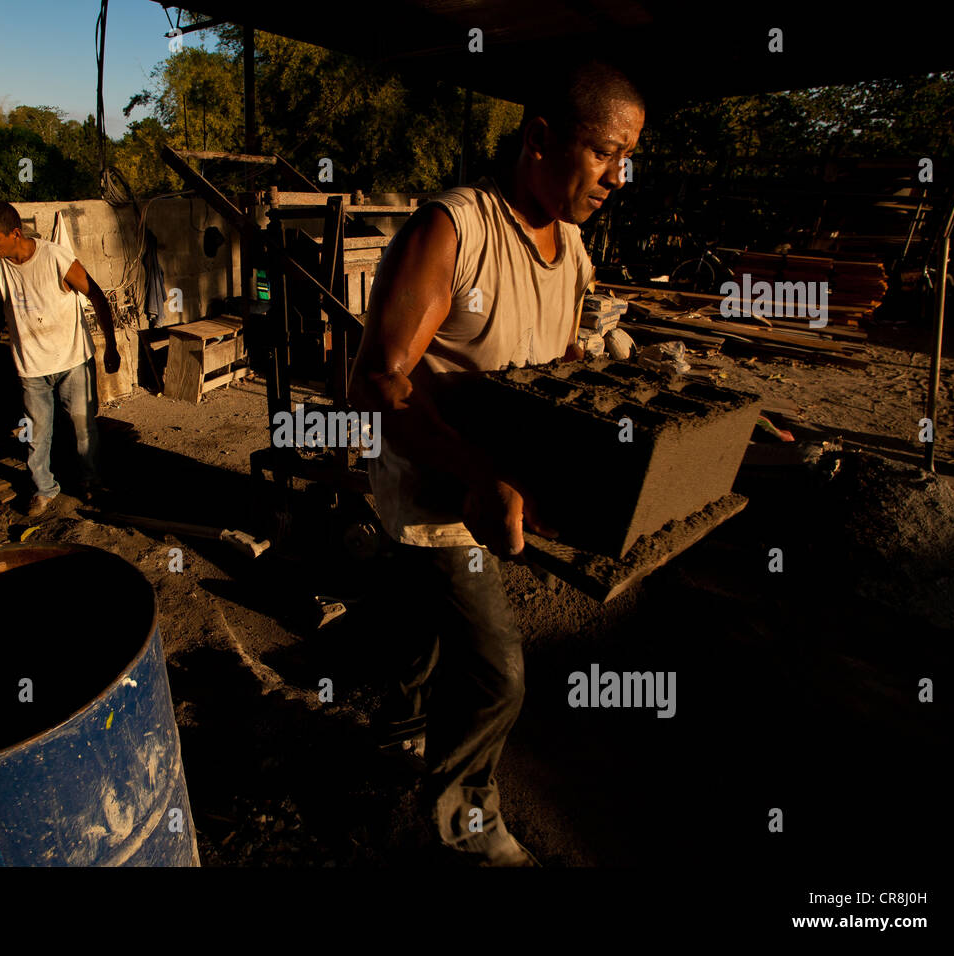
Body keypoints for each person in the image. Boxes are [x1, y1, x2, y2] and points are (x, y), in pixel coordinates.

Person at [348, 61, 644, 866]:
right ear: (541, 138)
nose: (619, 176)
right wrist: (479, 473)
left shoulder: (575, 250)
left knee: (422, 631)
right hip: (436, 487)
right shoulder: (453, 230)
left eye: (629, 158)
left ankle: (400, 731)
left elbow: (557, 363)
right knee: (498, 675)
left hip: (492, 489)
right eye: (606, 153)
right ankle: (462, 827)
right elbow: (374, 384)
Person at [0, 200, 121, 517]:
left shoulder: (55, 257)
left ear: (15, 233)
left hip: (74, 360)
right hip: (31, 368)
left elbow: (97, 295)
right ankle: (43, 488)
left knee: (83, 427)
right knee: (36, 434)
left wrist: (111, 346)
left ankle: (90, 482)